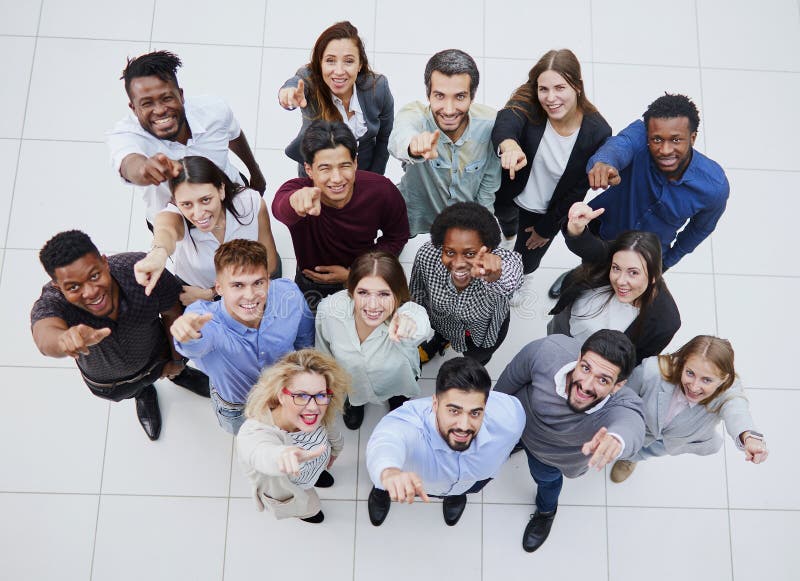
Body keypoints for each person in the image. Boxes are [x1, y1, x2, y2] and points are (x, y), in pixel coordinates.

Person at [31, 230, 209, 441]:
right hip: (113, 381)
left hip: (158, 354)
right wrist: (62, 341)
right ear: (58, 286)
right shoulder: (54, 301)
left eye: (94, 276)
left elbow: (173, 314)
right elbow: (44, 334)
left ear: (104, 262)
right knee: (135, 390)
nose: (90, 292)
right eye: (74, 287)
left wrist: (177, 361)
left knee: (176, 368)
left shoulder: (140, 272)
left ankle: (180, 375)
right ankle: (142, 394)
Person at [494, 330, 645, 552]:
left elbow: (632, 423)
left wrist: (616, 438)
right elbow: (510, 380)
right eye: (585, 368)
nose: (586, 385)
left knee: (546, 481)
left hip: (549, 456)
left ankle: (546, 512)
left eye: (603, 380)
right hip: (516, 425)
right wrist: (491, 418)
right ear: (578, 358)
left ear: (617, 386)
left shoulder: (620, 403)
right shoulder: (548, 350)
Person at [170, 240, 314, 435]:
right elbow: (196, 343)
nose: (250, 295)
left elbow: (305, 342)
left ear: (268, 280)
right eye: (238, 285)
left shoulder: (289, 294)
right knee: (248, 439)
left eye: (258, 283)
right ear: (219, 288)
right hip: (239, 407)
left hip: (286, 393)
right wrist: (188, 335)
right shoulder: (205, 320)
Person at [108, 50, 265, 224]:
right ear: (133, 108)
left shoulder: (214, 110)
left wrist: (255, 172)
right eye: (147, 103)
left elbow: (234, 135)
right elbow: (129, 164)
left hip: (229, 202)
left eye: (167, 98)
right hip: (177, 224)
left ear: (181, 95)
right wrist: (144, 168)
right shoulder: (126, 135)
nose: (159, 110)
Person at [365, 357, 525, 527]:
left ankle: (455, 495)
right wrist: (389, 472)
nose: (464, 426)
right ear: (435, 404)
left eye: (475, 413)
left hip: (469, 482)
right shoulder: (410, 425)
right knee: (386, 482)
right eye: (454, 411)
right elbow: (388, 440)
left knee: (462, 489)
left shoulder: (511, 418)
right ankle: (381, 492)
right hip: (421, 482)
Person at [491, 49, 612, 273]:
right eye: (543, 89)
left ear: (577, 86)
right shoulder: (530, 102)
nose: (550, 98)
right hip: (510, 193)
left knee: (526, 262)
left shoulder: (596, 132)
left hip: (543, 212)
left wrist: (546, 229)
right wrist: (509, 144)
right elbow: (507, 120)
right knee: (507, 221)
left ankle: (521, 276)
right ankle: (509, 234)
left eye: (560, 88)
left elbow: (576, 191)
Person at [272, 120, 410, 311]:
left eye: (344, 166)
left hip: (365, 277)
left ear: (355, 163)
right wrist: (295, 202)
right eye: (325, 168)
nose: (337, 178)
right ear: (309, 169)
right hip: (313, 282)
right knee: (311, 326)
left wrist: (357, 273)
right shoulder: (297, 191)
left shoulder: (382, 190)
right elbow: (280, 209)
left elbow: (397, 236)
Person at [610, 335, 768, 483]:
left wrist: (749, 437)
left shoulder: (728, 392)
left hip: (674, 439)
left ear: (723, 379)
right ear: (683, 363)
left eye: (706, 380)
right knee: (628, 442)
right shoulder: (652, 370)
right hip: (640, 426)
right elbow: (623, 397)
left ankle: (631, 458)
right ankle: (627, 451)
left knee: (650, 451)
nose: (694, 387)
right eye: (690, 373)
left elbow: (737, 412)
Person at [132, 155, 280, 306]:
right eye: (187, 204)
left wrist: (212, 293)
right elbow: (165, 229)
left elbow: (270, 263)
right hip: (196, 293)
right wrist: (158, 253)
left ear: (221, 190)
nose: (198, 214)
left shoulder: (250, 202)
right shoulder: (174, 217)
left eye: (205, 200)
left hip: (242, 287)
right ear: (176, 202)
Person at [548, 202, 680, 366]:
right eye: (616, 268)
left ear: (654, 276)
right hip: (564, 327)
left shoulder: (666, 322)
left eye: (633, 273)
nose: (620, 281)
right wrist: (576, 227)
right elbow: (587, 245)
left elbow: (635, 361)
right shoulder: (611, 258)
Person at [388, 49, 501, 235]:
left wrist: (481, 230)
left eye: (460, 96)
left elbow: (488, 186)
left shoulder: (490, 123)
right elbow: (399, 137)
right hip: (414, 218)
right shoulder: (415, 115)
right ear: (428, 95)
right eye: (440, 96)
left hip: (462, 224)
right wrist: (413, 146)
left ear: (472, 96)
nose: (449, 110)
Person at [315, 251, 432, 430]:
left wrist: (408, 322)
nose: (372, 305)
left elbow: (420, 321)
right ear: (351, 291)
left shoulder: (406, 314)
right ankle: (355, 404)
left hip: (397, 380)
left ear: (397, 294)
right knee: (355, 394)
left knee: (399, 398)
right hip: (354, 384)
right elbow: (323, 353)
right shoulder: (328, 311)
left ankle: (397, 403)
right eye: (363, 292)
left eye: (384, 294)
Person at [236, 349, 350, 524]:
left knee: (318, 474)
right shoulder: (253, 431)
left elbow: (329, 428)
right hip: (292, 485)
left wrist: (334, 451)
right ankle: (308, 512)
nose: (313, 407)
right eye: (301, 396)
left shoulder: (318, 409)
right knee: (311, 507)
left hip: (316, 465)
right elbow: (259, 451)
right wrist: (281, 456)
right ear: (281, 395)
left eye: (320, 394)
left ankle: (317, 476)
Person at [410, 202, 523, 365]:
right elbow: (417, 292)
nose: (458, 264)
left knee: (475, 361)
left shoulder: (501, 261)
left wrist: (495, 275)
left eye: (470, 253)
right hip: (443, 323)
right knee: (441, 335)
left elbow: (512, 278)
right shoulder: (427, 255)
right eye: (450, 252)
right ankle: (440, 341)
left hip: (481, 335)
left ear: (488, 249)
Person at [278, 21, 394, 176]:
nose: (339, 71)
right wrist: (288, 96)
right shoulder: (309, 80)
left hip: (362, 173)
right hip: (318, 176)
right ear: (320, 63)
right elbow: (293, 85)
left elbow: (385, 137)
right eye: (330, 60)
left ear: (360, 64)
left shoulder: (377, 87)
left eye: (349, 61)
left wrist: (374, 177)